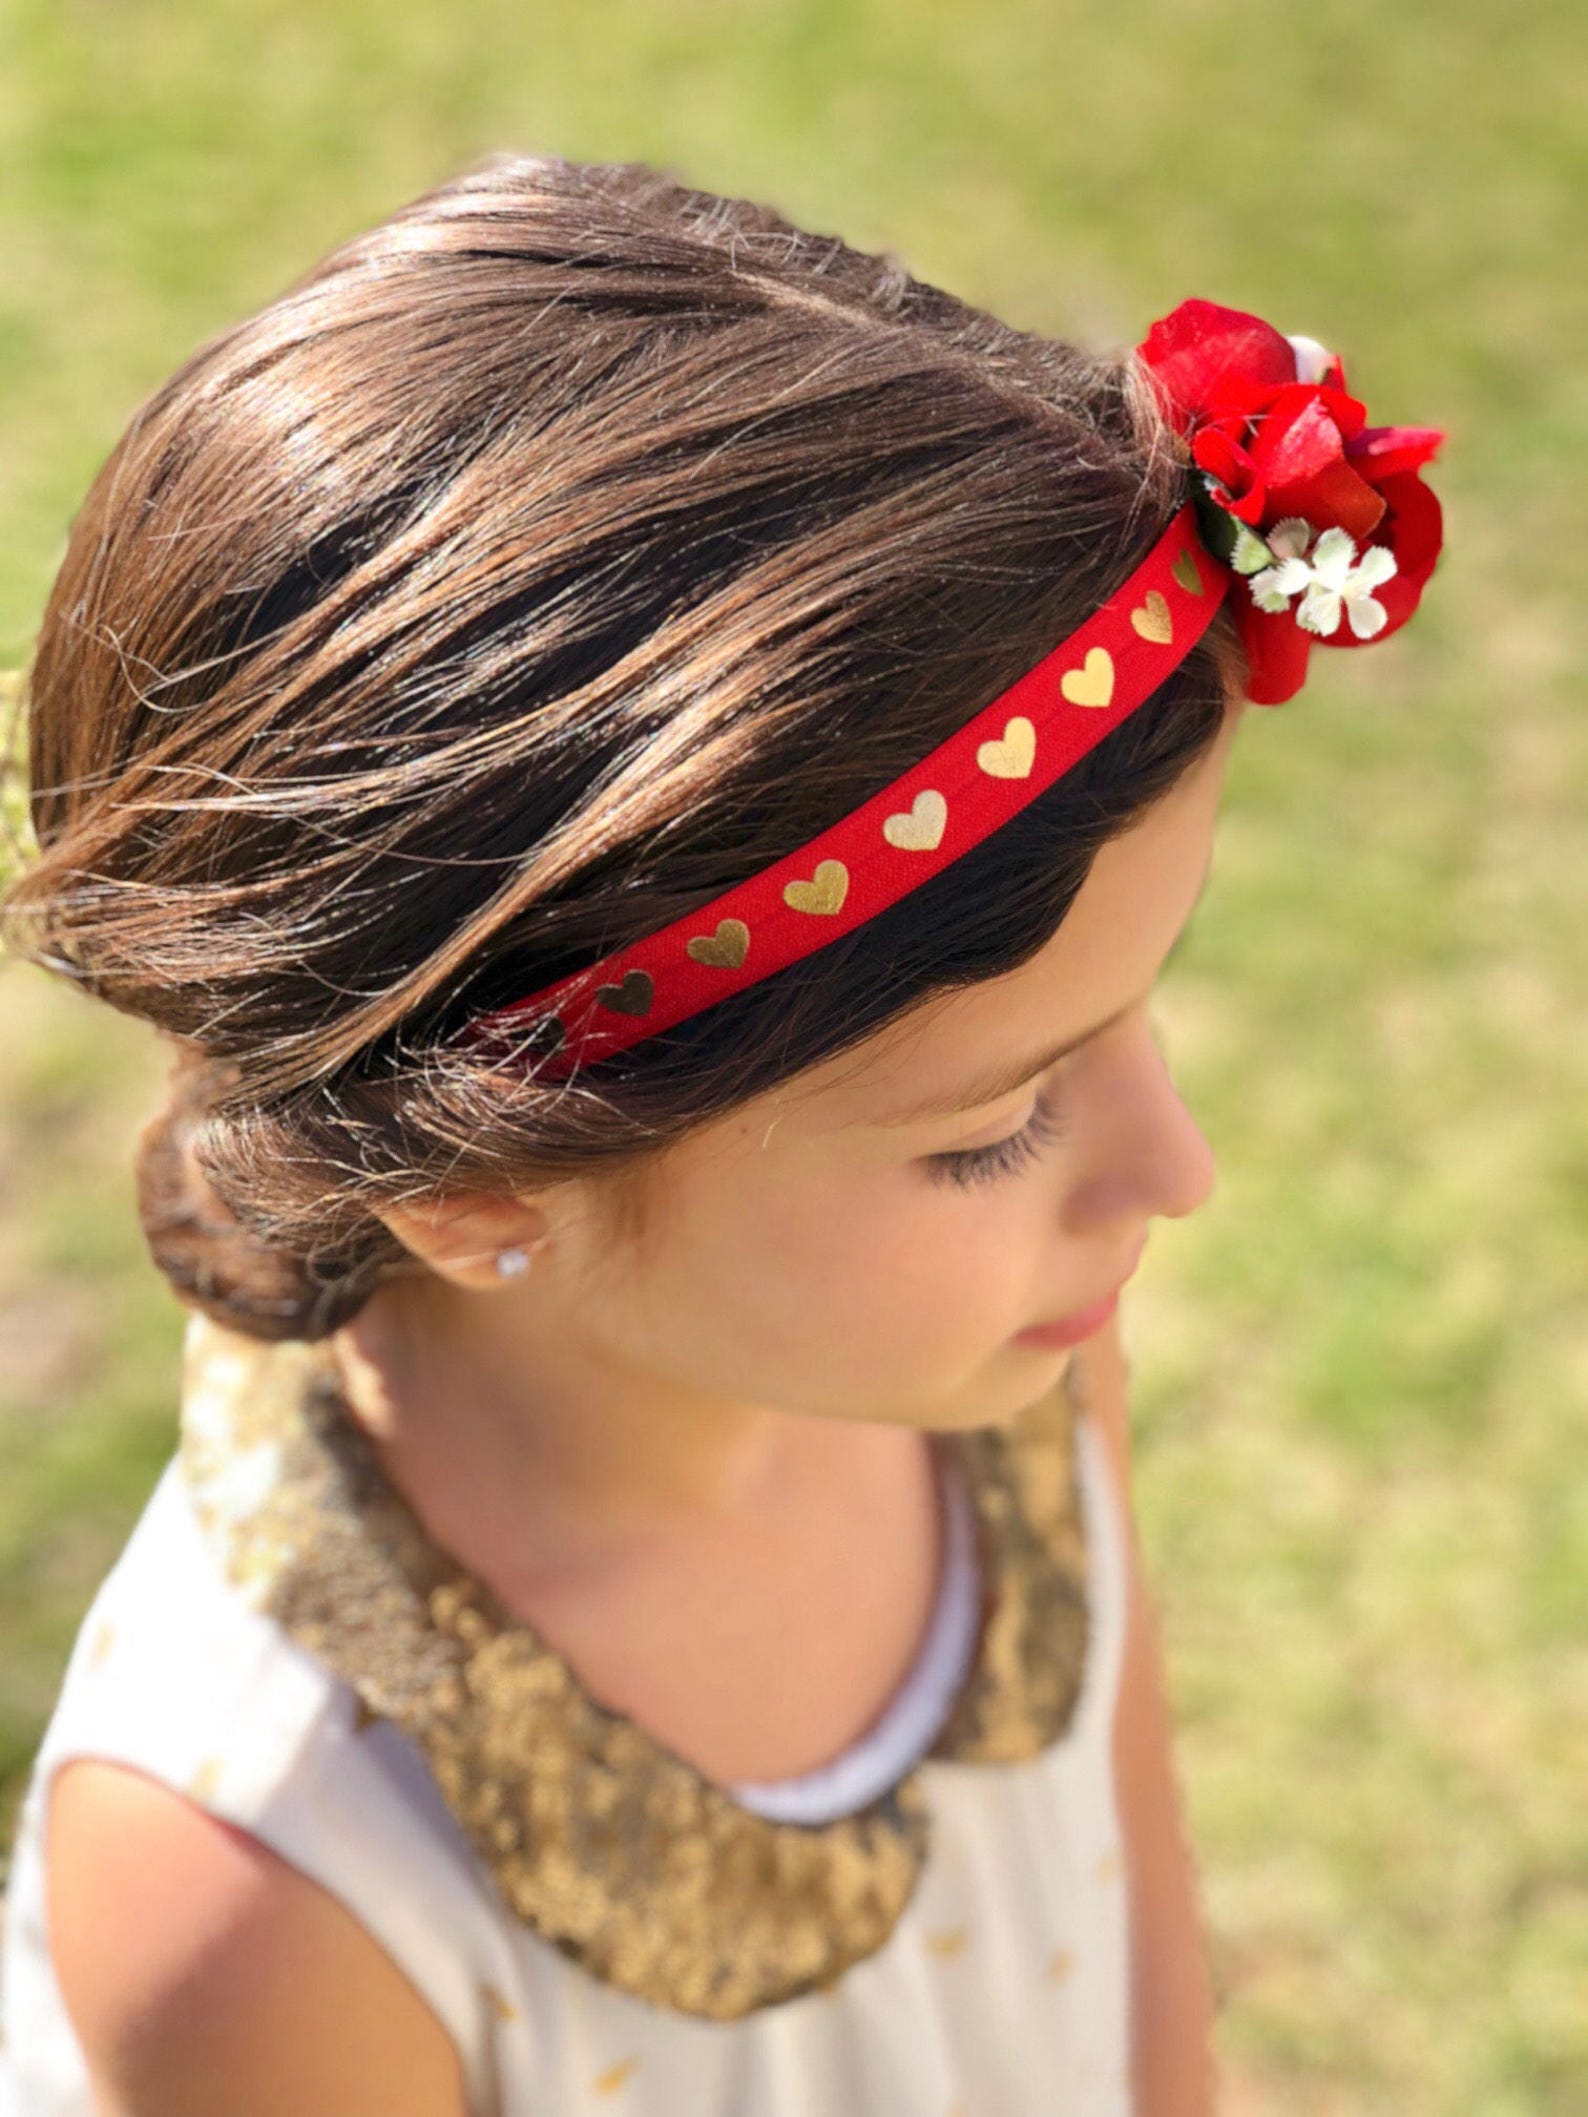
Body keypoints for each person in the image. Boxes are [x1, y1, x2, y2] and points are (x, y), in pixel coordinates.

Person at [0, 151, 1444, 2117]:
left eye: (1138, 1011)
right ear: (475, 1185)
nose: (1173, 1173)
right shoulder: (270, 1883)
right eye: (995, 1125)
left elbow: (1137, 1969)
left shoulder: (1001, 1377)